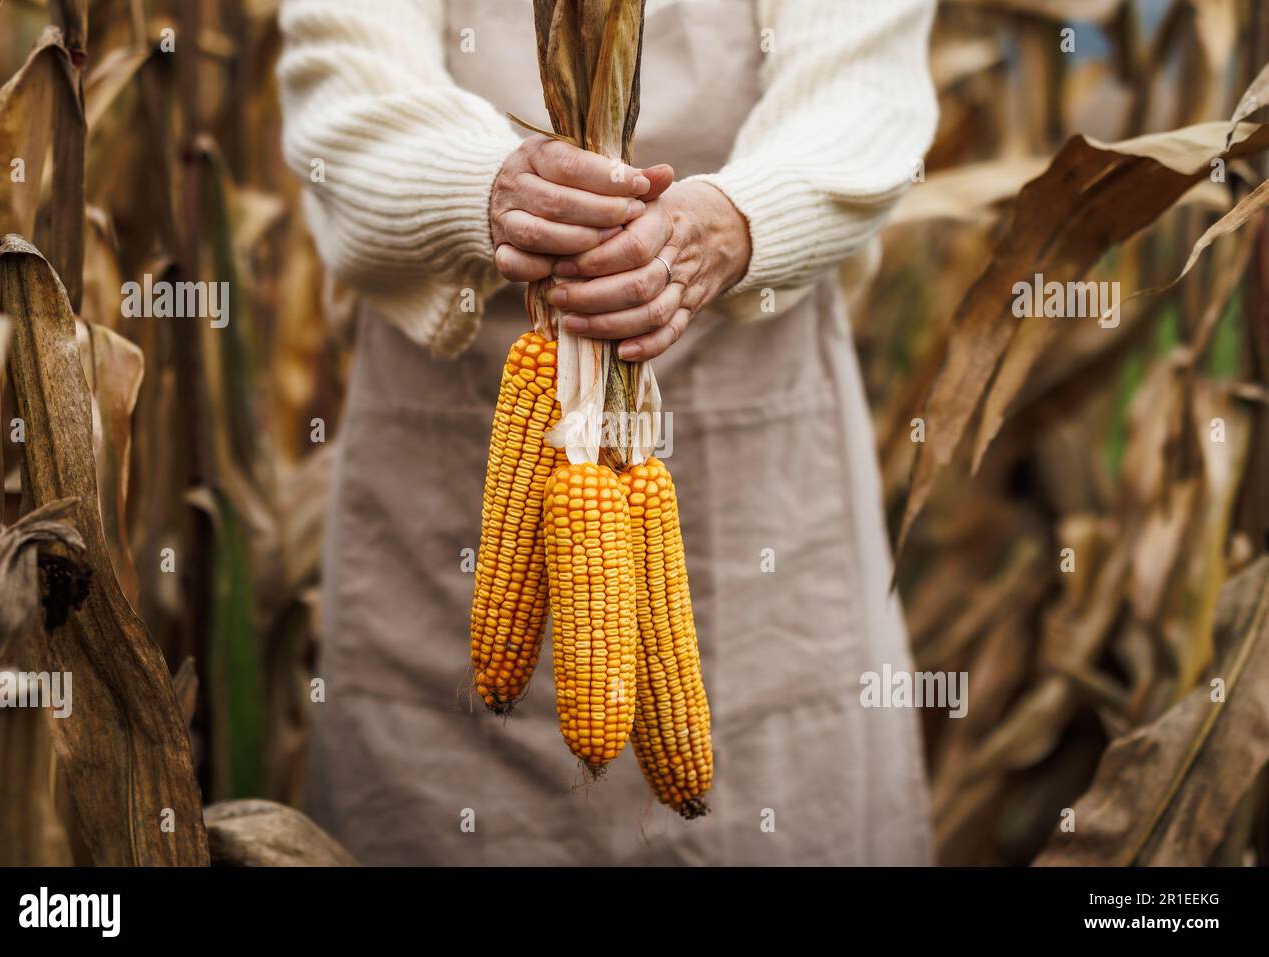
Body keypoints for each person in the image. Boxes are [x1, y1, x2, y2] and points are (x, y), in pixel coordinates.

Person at [278, 0, 939, 865]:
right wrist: (484, 189)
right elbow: (342, 90)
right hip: (439, 489)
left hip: (758, 473)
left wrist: (732, 223)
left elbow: (863, 99)